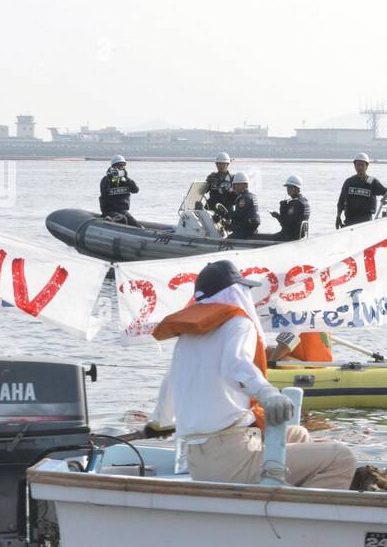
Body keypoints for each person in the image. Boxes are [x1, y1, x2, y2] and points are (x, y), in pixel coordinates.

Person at [151, 260, 357, 489]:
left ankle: (285, 497)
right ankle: (297, 519)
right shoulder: (239, 323)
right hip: (231, 458)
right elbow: (236, 364)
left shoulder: (187, 336)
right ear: (235, 293)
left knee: (296, 435)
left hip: (198, 460)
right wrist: (269, 395)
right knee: (342, 457)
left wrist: (157, 425)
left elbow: (170, 383)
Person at [336, 153, 387, 228]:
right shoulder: (349, 182)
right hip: (349, 221)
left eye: (362, 165)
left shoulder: (373, 183)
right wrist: (338, 217)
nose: (360, 167)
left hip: (366, 223)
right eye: (358, 165)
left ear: (366, 166)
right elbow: (341, 202)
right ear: (354, 166)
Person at [99, 155, 140, 226]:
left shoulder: (125, 180)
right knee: (122, 219)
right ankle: (108, 220)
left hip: (123, 210)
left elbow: (135, 190)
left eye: (123, 166)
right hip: (110, 211)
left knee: (135, 224)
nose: (121, 168)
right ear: (113, 167)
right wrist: (111, 178)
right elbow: (104, 193)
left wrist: (126, 178)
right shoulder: (106, 179)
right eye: (119, 166)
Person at [219, 173, 261, 239]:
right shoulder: (252, 195)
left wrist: (225, 214)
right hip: (252, 227)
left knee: (227, 241)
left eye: (236, 185)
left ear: (243, 185)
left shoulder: (243, 198)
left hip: (245, 230)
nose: (235, 187)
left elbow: (239, 215)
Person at [269, 175, 310, 241]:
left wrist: (277, 215)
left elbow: (287, 224)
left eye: (290, 187)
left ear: (297, 188)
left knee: (267, 238)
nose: (288, 189)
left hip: (291, 235)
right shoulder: (304, 200)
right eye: (287, 187)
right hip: (300, 234)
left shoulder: (295, 203)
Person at [267, 331, 333, 364]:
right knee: (268, 350)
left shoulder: (298, 318)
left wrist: (269, 364)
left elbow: (285, 345)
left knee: (264, 353)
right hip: (322, 362)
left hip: (309, 365)